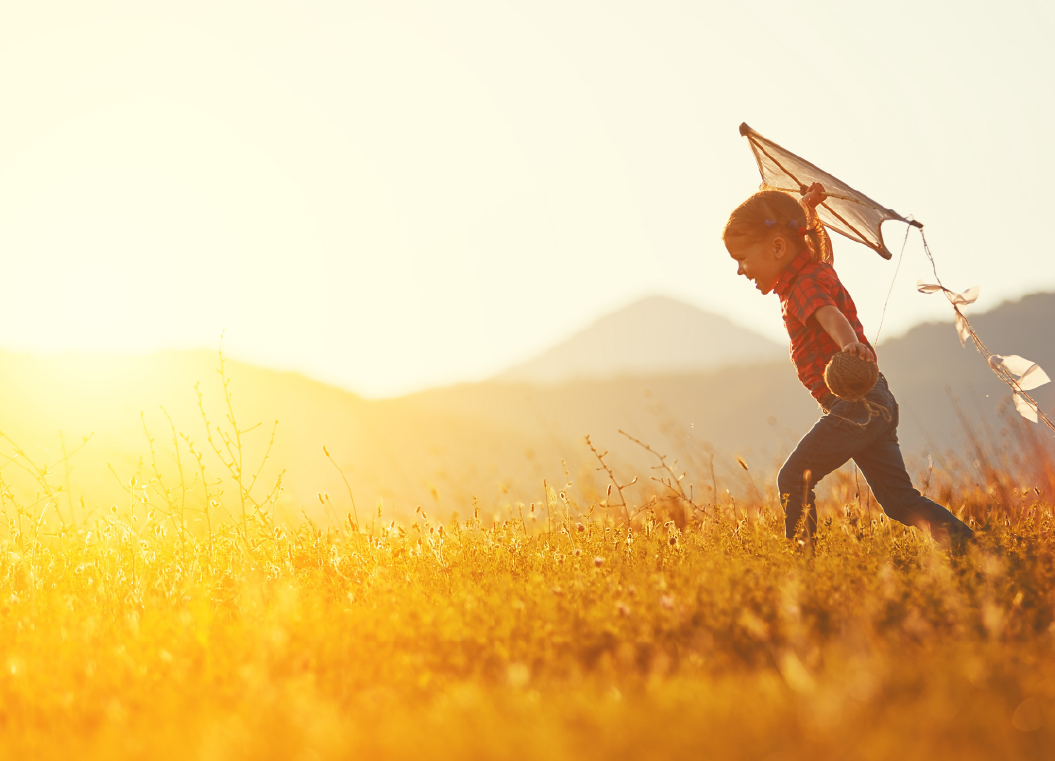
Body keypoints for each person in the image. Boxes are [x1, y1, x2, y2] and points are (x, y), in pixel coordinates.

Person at [722, 183, 973, 547]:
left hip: (858, 407)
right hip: (876, 403)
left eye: (742, 258)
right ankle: (977, 551)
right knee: (900, 502)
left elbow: (830, 316)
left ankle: (802, 563)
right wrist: (805, 210)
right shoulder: (815, 270)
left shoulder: (804, 287)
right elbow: (814, 248)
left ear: (778, 247)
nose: (741, 270)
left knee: (794, 478)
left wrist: (850, 344)